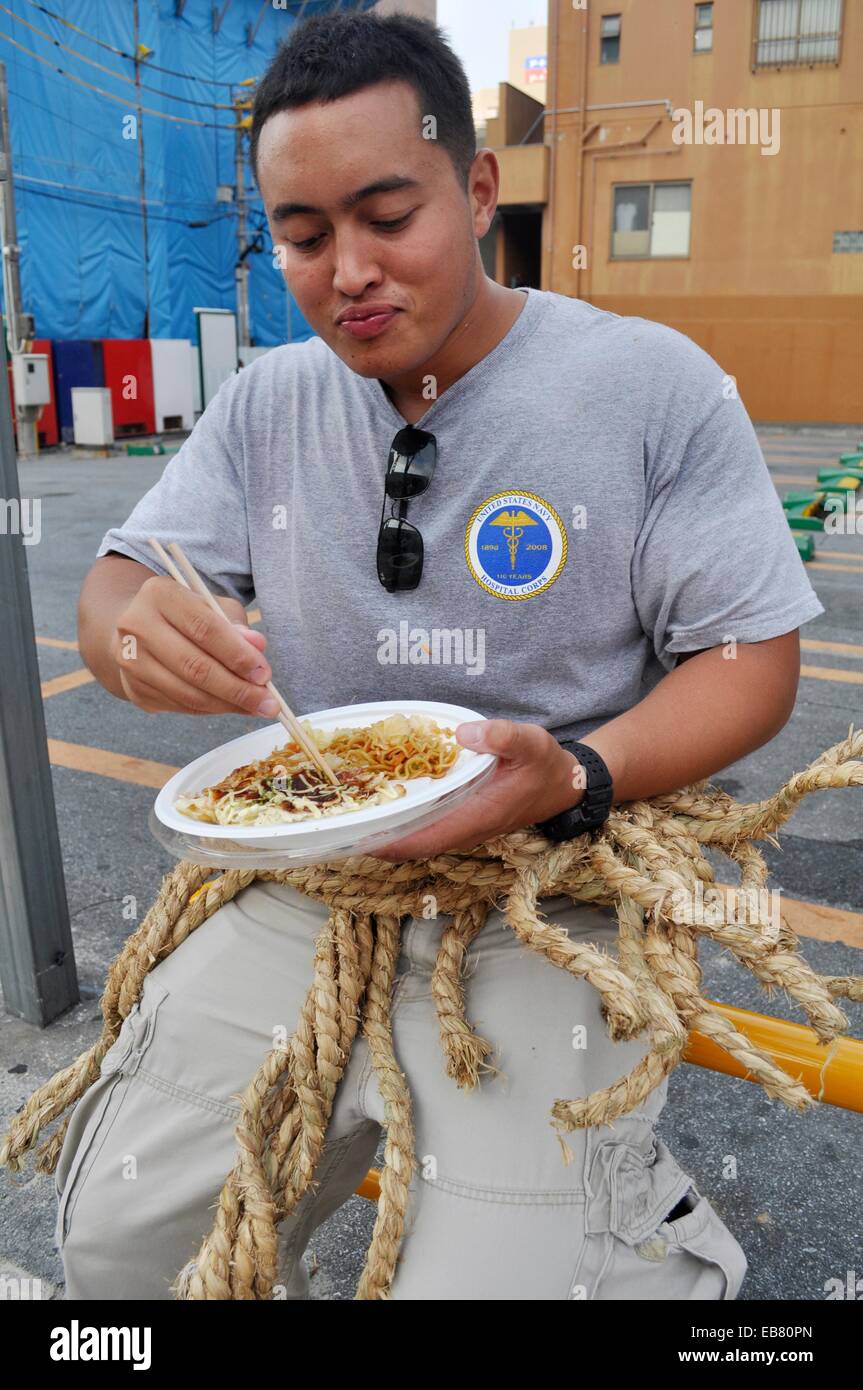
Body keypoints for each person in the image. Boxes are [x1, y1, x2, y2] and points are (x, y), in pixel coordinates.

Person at [64, 10, 822, 1300]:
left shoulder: (650, 386)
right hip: (316, 875)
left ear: (477, 193)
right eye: (302, 238)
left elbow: (753, 659)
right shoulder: (266, 402)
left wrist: (578, 772)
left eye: (385, 215)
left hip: (552, 887)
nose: (345, 269)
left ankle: (660, 1262)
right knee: (120, 1243)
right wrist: (131, 635)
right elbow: (117, 584)